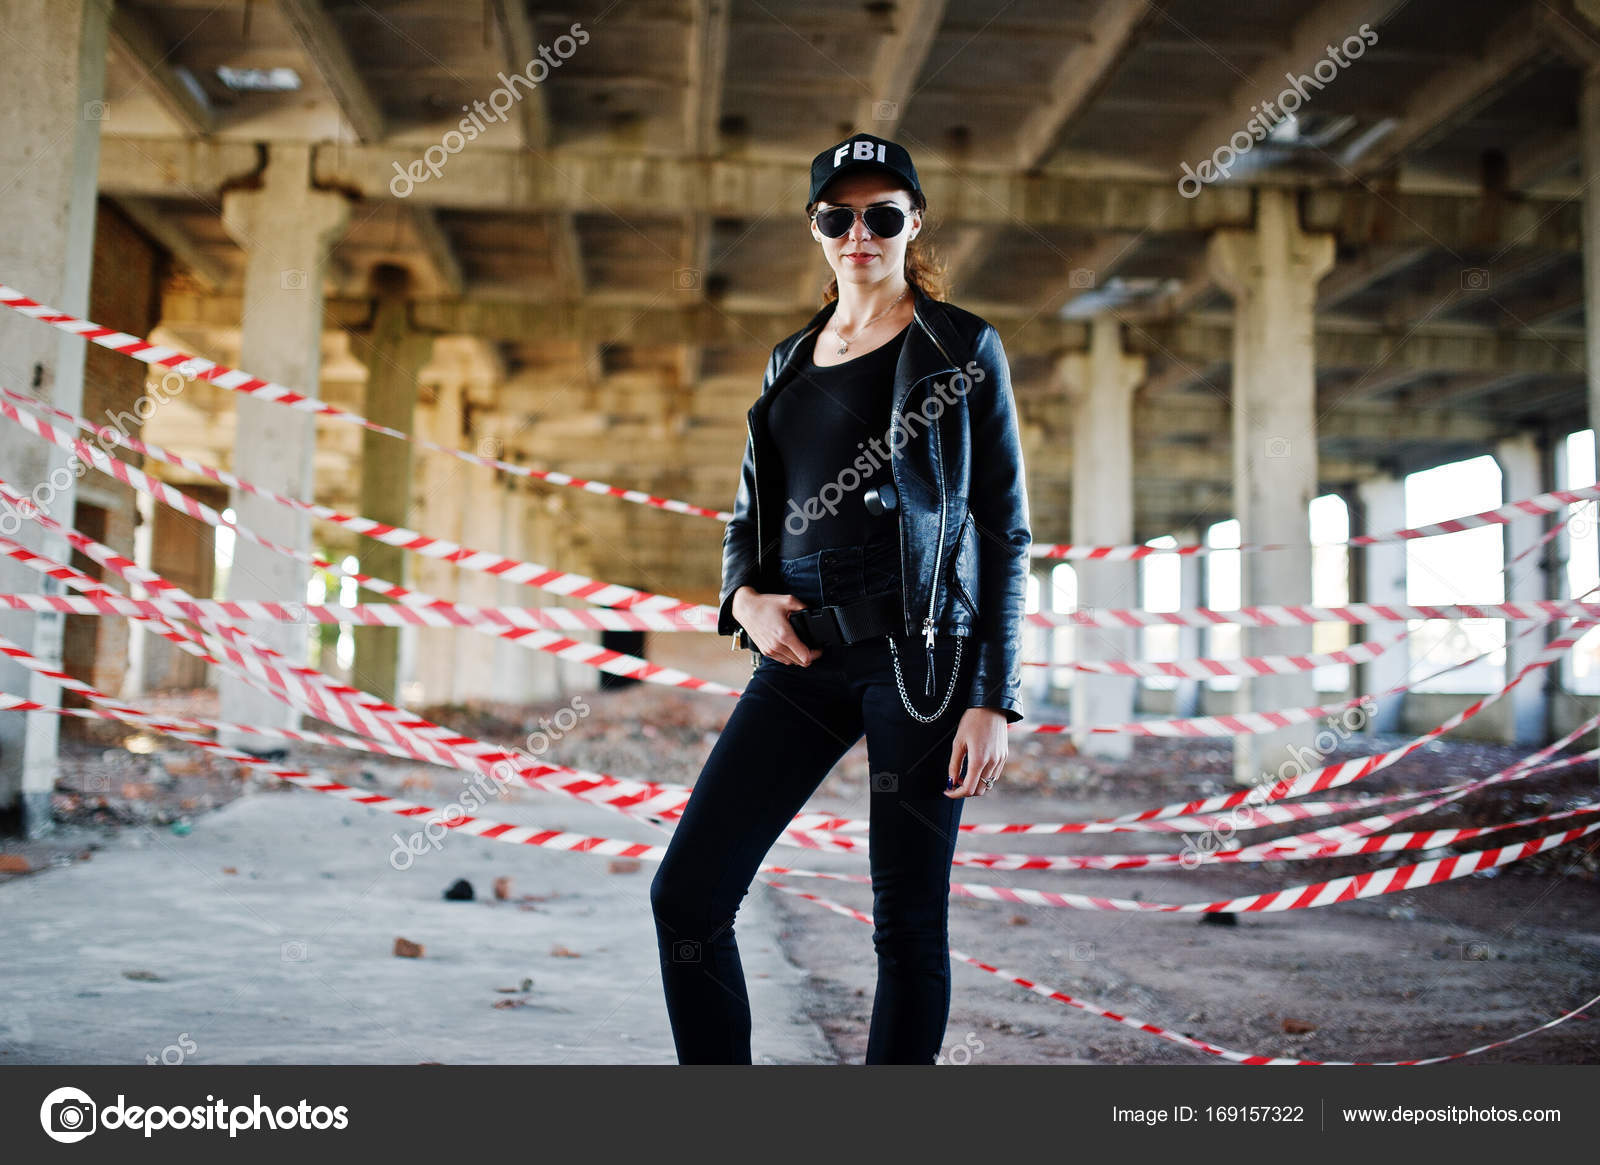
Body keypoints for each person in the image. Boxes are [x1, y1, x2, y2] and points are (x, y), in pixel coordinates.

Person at [650, 132, 1031, 1065]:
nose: (860, 233)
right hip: (802, 654)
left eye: (882, 215)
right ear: (817, 228)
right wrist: (744, 599)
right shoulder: (788, 361)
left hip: (922, 661)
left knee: (904, 923)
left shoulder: (962, 346)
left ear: (913, 223)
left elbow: (1002, 529)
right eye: (839, 216)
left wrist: (993, 695)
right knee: (688, 894)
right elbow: (750, 513)